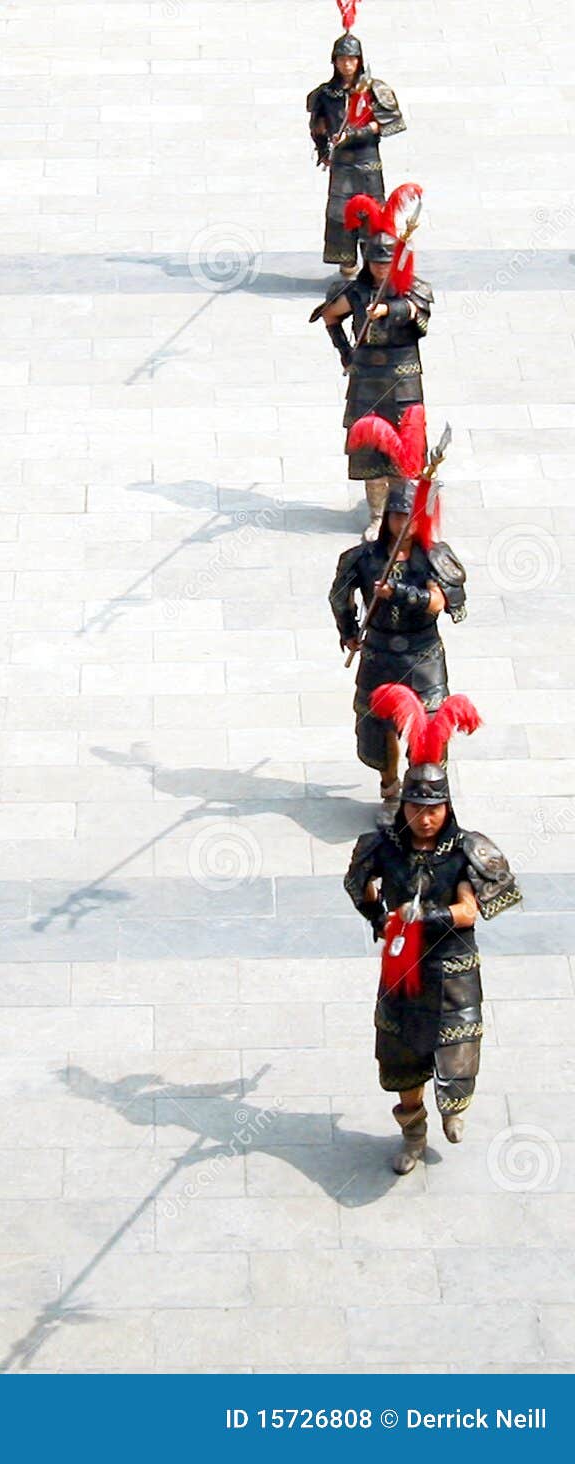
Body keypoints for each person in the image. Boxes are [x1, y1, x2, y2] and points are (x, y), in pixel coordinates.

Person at [345, 702, 521, 1174]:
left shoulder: (468, 849)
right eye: (418, 808)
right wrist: (377, 912)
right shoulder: (383, 845)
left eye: (435, 808)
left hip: (455, 969)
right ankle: (414, 1131)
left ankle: (455, 1106)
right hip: (403, 967)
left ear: (448, 806)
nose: (426, 818)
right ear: (404, 805)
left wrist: (441, 913)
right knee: (401, 1053)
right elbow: (356, 886)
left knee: (458, 1047)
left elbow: (481, 907)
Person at [330, 477, 465, 803]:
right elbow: (339, 596)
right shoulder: (363, 558)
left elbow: (437, 603)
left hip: (423, 655)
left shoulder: (434, 558)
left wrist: (398, 592)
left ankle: (424, 795)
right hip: (379, 653)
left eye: (409, 517)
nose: (402, 524)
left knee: (429, 730)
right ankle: (390, 788)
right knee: (379, 727)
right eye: (396, 516)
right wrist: (348, 630)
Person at [311, 230, 432, 534]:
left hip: (403, 378)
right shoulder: (357, 291)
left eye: (386, 262)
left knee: (404, 450)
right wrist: (345, 352)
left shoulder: (413, 289)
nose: (380, 268)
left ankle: (402, 514)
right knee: (371, 453)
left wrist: (388, 308)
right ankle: (377, 516)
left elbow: (418, 315)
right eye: (376, 262)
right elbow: (329, 316)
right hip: (366, 379)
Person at [307, 21, 405, 277]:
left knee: (372, 213)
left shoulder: (373, 90)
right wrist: (323, 149)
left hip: (367, 159)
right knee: (341, 213)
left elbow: (387, 122)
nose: (347, 64)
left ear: (359, 61)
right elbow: (318, 125)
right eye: (341, 59)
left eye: (351, 59)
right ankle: (347, 264)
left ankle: (376, 266)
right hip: (341, 162)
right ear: (335, 62)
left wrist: (356, 132)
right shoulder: (326, 94)